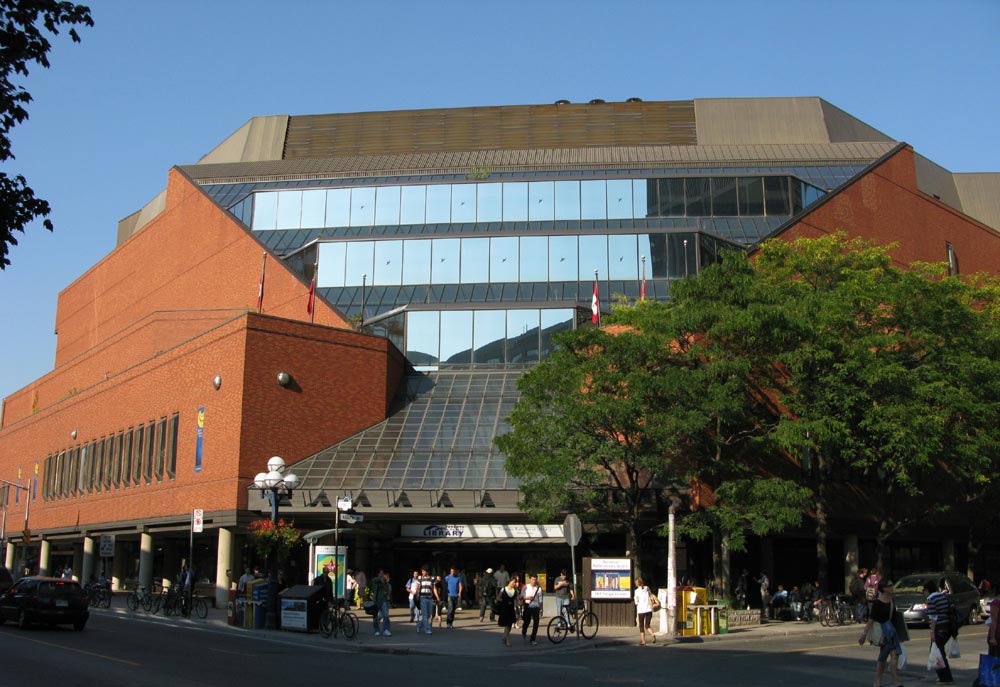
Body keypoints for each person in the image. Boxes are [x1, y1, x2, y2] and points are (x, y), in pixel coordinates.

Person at [858, 579, 902, 687]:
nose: (892, 587)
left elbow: (895, 618)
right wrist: (864, 634)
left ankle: (891, 682)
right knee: (886, 656)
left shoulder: (891, 600)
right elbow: (871, 620)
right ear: (884, 588)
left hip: (892, 633)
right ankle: (883, 683)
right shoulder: (877, 603)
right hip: (883, 634)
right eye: (890, 585)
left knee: (892, 655)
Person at [924, 579, 955, 685]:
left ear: (927, 590)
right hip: (948, 628)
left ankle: (946, 678)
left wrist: (932, 632)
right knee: (940, 652)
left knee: (937, 652)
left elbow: (933, 617)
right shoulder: (943, 596)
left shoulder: (931, 599)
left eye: (924, 591)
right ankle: (944, 677)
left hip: (939, 628)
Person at [520, 574, 543, 644]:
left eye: (535, 579)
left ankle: (533, 639)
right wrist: (528, 598)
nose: (534, 581)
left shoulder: (539, 588)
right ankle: (524, 631)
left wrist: (541, 609)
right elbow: (521, 596)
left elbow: (540, 600)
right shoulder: (526, 587)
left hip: (536, 607)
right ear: (530, 579)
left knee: (536, 623)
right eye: (532, 579)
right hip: (528, 606)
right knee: (527, 621)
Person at [496, 577, 519, 647]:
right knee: (507, 625)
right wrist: (504, 601)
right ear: (509, 582)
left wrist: (517, 606)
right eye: (513, 582)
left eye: (515, 582)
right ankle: (507, 640)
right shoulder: (503, 589)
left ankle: (504, 637)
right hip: (504, 609)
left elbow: (517, 600)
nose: (514, 584)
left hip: (511, 609)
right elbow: (498, 598)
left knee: (509, 625)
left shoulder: (515, 591)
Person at [415, 566, 437, 635]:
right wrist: (417, 594)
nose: (422, 572)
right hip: (423, 598)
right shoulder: (420, 578)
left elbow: (434, 588)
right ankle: (427, 629)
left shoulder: (432, 578)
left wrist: (437, 597)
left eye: (423, 571)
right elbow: (417, 587)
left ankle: (419, 625)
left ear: (427, 571)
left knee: (429, 614)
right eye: (422, 571)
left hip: (430, 598)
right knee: (425, 615)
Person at [634, 577, 656, 646]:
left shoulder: (636, 591)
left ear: (637, 583)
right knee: (647, 625)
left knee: (641, 626)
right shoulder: (647, 588)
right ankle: (652, 634)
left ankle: (643, 642)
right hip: (649, 609)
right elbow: (651, 595)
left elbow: (636, 602)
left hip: (641, 610)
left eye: (636, 583)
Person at [371, 569, 392, 637]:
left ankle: (386, 630)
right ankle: (376, 630)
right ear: (378, 574)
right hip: (375, 600)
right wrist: (381, 579)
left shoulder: (385, 581)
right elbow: (374, 581)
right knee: (375, 616)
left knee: (386, 615)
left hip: (383, 600)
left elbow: (387, 589)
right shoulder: (375, 580)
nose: (382, 574)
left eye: (383, 573)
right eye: (381, 573)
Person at [987, 593, 999, 657]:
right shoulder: (996, 603)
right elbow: (993, 621)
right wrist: (992, 637)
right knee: (995, 659)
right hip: (997, 636)